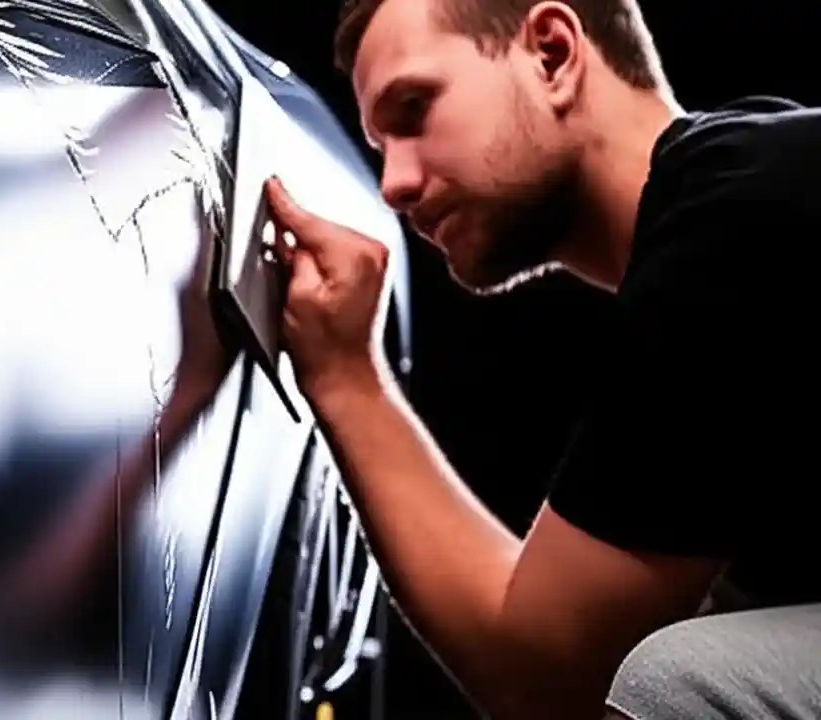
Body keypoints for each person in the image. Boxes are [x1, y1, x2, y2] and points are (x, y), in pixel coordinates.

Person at [261, 0, 821, 718]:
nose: (394, 184)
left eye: (415, 109)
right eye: (379, 148)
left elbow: (546, 674)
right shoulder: (747, 182)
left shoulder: (735, 215)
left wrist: (344, 375)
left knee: (682, 677)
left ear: (552, 54)